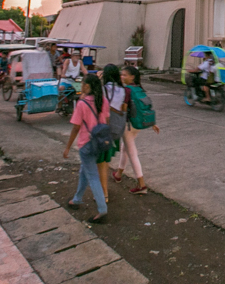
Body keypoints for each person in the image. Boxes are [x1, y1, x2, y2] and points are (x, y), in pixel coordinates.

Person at [63, 74, 109, 224]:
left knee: (92, 176)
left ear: (87, 86)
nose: (81, 85)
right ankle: (77, 199)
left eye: (82, 83)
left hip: (86, 144)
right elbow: (106, 121)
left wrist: (68, 147)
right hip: (100, 143)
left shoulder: (82, 104)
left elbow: (76, 127)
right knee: (85, 170)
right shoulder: (103, 101)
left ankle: (102, 209)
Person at [112, 66, 160, 195]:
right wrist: (152, 123)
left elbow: (123, 109)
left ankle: (141, 184)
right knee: (125, 148)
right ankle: (118, 174)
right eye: (121, 75)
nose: (122, 77)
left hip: (128, 125)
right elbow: (144, 107)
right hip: (137, 125)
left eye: (125, 75)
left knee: (132, 152)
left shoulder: (127, 90)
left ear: (132, 77)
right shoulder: (139, 89)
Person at [99, 64, 127, 199]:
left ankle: (104, 193)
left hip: (104, 130)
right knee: (105, 162)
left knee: (101, 163)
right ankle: (103, 192)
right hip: (117, 129)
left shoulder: (103, 89)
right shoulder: (123, 90)